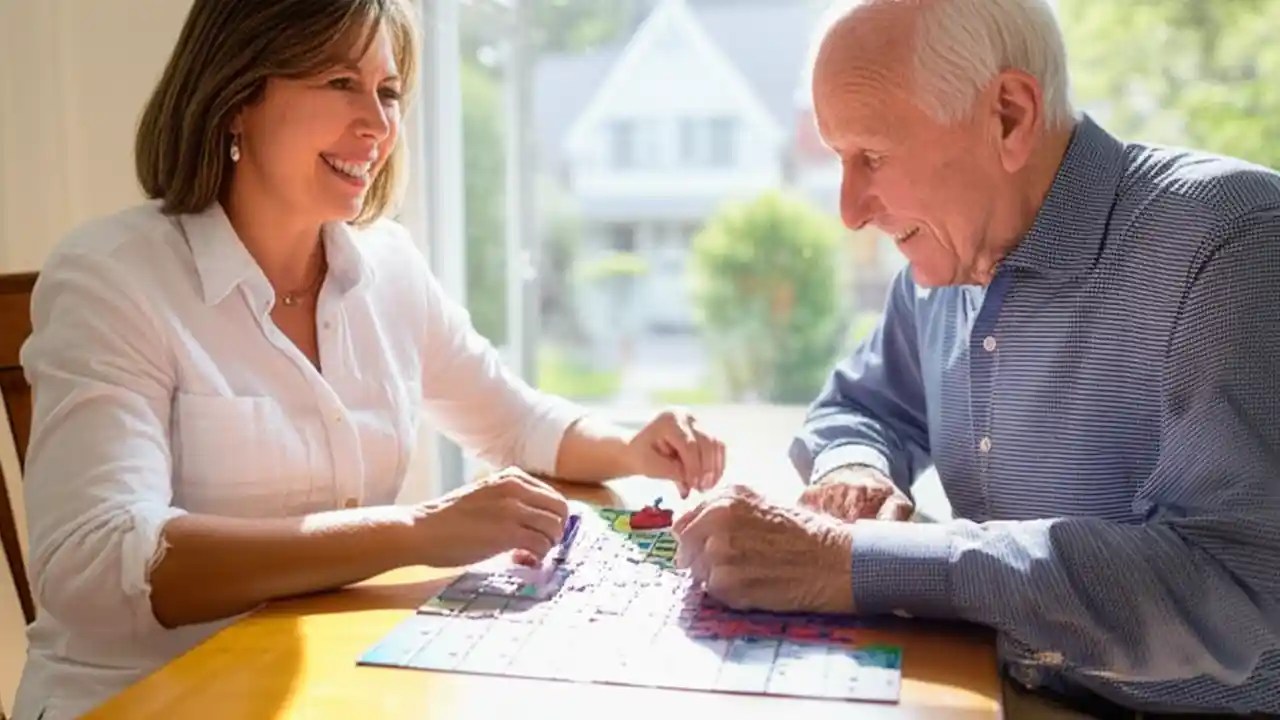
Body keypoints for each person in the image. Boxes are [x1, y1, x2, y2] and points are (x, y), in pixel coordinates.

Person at [11, 1, 726, 718]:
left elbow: (516, 424)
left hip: (322, 687)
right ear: (236, 97)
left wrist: (631, 447)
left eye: (387, 92)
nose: (379, 125)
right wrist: (418, 533)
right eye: (339, 83)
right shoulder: (112, 276)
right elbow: (97, 563)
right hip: (141, 698)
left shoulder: (388, 267)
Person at [674, 0, 1280, 717]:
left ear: (1008, 117)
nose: (849, 210)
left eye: (873, 157)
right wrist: (853, 470)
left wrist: (853, 564)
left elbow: (1231, 585)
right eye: (840, 160)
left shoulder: (1233, 244)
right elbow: (860, 407)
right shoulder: (947, 258)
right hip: (993, 688)